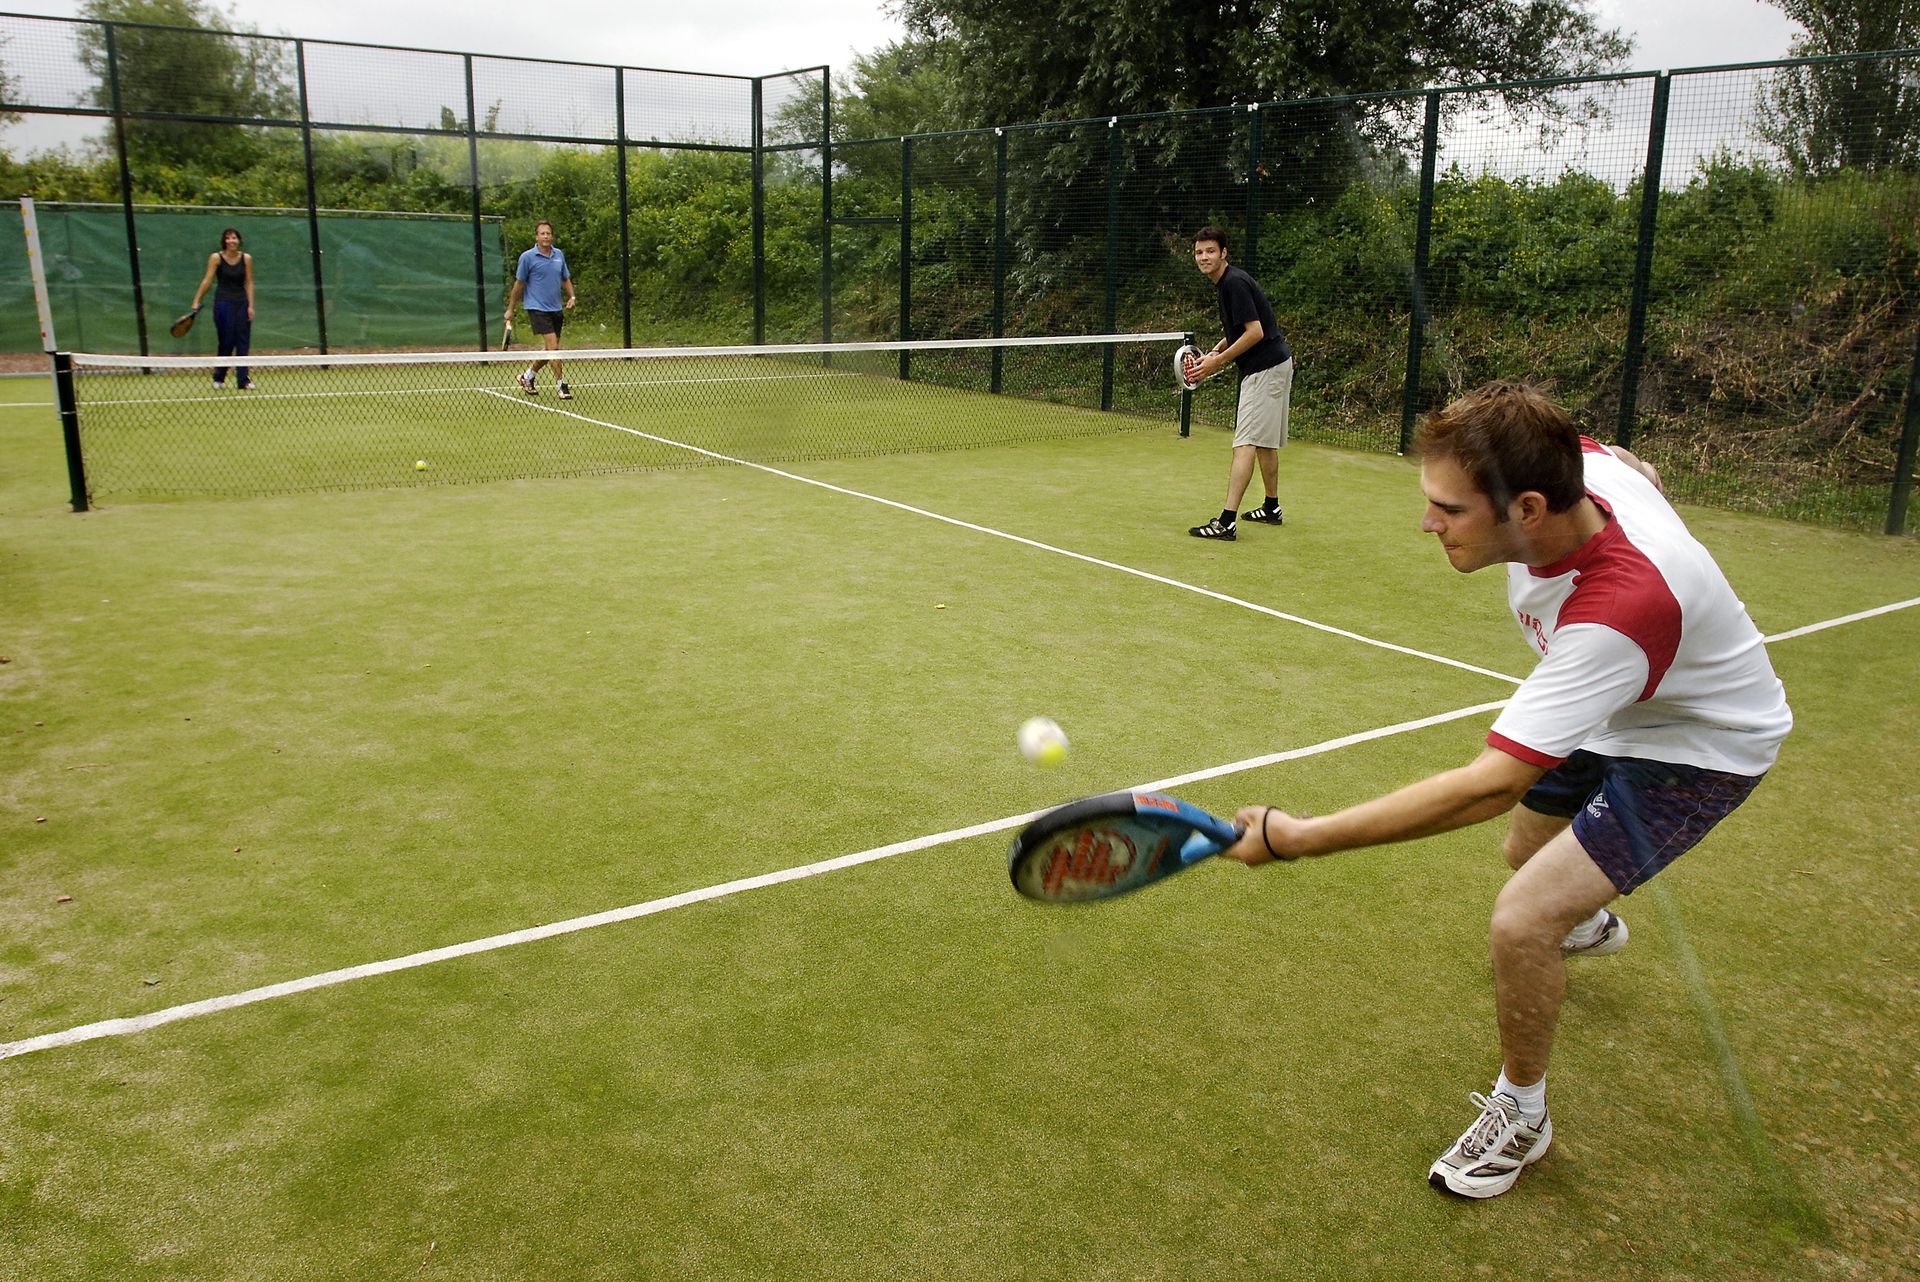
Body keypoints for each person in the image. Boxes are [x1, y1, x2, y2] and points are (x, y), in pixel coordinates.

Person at [1218, 381, 1791, 1199]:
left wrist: (1296, 836)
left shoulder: (1616, 613)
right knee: (1525, 850)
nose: (1428, 522)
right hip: (1618, 705)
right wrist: (1642, 470)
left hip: (1696, 748)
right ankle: (1589, 921)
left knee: (1523, 917)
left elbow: (1484, 787)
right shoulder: (1582, 471)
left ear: (1528, 507)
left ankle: (1522, 1117)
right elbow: (1621, 458)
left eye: (1448, 508)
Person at [1186, 224, 1293, 541]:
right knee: (1264, 441)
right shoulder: (1228, 283)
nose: (1204, 257)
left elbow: (1255, 332)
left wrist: (1215, 363)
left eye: (1210, 251)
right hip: (1275, 364)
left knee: (1245, 441)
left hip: (1265, 368)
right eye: (1199, 252)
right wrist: (1216, 349)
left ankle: (1226, 522)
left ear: (1223, 253)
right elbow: (1241, 327)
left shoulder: (1232, 283)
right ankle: (1271, 507)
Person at [505, 220, 577, 400]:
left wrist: (572, 297)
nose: (546, 236)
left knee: (549, 350)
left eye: (548, 233)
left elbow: (565, 278)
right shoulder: (527, 257)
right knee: (553, 348)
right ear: (536, 236)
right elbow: (519, 284)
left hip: (555, 308)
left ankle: (527, 376)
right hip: (536, 308)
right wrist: (510, 309)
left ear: (552, 236)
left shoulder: (559, 255)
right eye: (542, 233)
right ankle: (562, 385)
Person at [189, 227, 255, 390]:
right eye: (228, 238)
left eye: (234, 238)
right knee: (226, 341)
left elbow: (249, 282)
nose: (231, 241)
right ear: (224, 241)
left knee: (242, 342)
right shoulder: (216, 258)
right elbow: (207, 280)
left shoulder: (246, 258)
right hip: (223, 303)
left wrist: (250, 306)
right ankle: (219, 377)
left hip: (241, 303)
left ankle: (243, 380)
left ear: (239, 241)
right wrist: (196, 300)